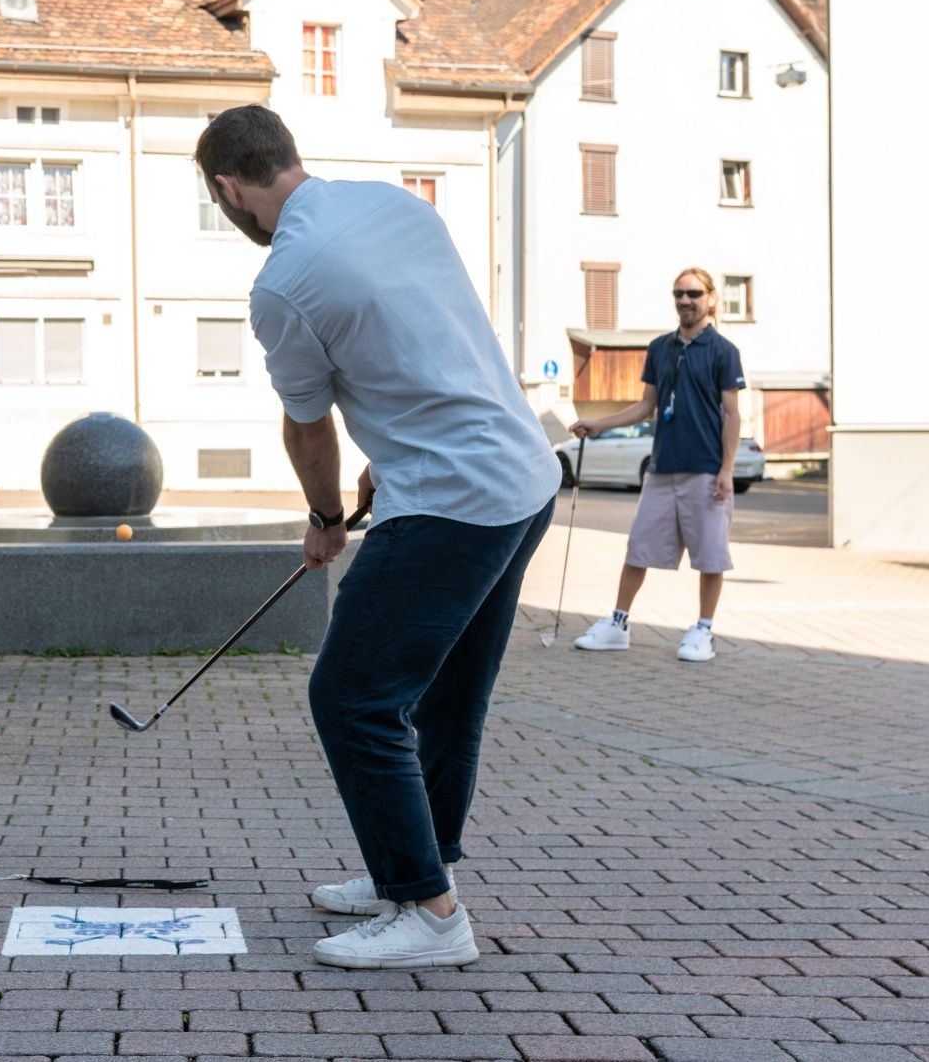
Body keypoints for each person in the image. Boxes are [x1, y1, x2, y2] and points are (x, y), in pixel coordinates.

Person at [195, 105, 560, 969]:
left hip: (453, 502)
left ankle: (431, 915)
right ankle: (414, 868)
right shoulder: (400, 206)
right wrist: (389, 456)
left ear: (228, 188)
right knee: (446, 701)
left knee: (353, 698)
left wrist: (324, 521)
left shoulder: (282, 282)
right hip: (523, 477)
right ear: (289, 154)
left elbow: (308, 428)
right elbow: (431, 339)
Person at [568, 267, 745, 663]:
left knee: (711, 555)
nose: (685, 300)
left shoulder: (723, 351)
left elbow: (732, 415)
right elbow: (646, 407)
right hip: (662, 469)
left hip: (706, 469)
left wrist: (727, 470)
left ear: (711, 298)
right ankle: (617, 624)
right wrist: (598, 423)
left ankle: (703, 631)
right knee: (638, 548)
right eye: (679, 293)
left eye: (694, 293)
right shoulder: (660, 348)